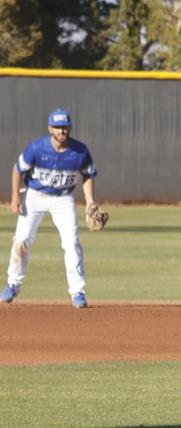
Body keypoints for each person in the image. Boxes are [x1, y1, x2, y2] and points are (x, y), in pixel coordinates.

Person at [6, 108, 101, 308]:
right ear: (50, 128)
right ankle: (13, 284)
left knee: (72, 243)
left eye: (65, 127)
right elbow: (18, 169)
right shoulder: (37, 148)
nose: (61, 131)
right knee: (21, 240)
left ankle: (77, 292)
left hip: (63, 199)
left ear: (70, 128)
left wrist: (90, 201)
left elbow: (88, 175)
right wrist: (15, 197)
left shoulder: (80, 151)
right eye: (57, 127)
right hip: (34, 196)